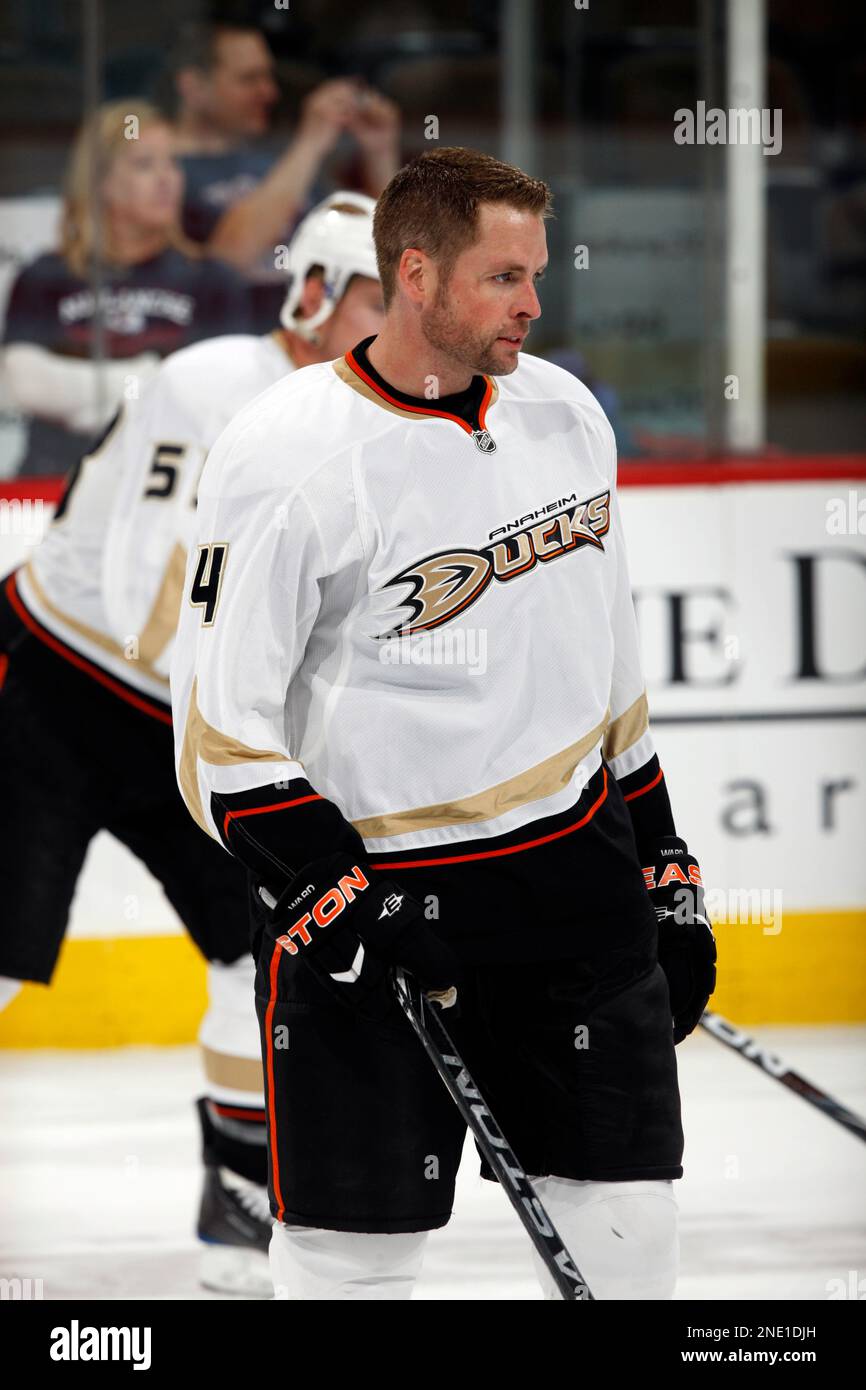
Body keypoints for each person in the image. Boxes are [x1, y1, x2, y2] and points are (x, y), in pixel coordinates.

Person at [170, 147, 716, 1302]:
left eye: (536, 274)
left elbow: (609, 670)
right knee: (351, 1262)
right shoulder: (285, 454)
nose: (532, 304)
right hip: (380, 901)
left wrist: (663, 863)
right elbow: (217, 731)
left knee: (629, 1233)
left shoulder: (566, 415)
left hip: (574, 883)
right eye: (502, 277)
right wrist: (331, 896)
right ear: (413, 274)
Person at [0, 193, 383, 1297]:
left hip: (184, 726)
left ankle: (238, 1215)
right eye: (375, 295)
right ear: (314, 294)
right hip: (53, 686)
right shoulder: (216, 380)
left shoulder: (361, 426)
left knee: (255, 957)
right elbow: (147, 594)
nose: (399, 320)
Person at [2, 100, 249, 478]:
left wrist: (78, 399)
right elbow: (25, 384)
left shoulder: (211, 282)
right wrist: (144, 378)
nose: (166, 179)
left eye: (172, 163)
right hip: (55, 482)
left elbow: (215, 393)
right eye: (144, 165)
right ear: (101, 182)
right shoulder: (45, 277)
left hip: (168, 485)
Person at [165, 21, 400, 271]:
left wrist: (379, 152)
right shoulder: (163, 173)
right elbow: (229, 260)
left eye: (268, 77)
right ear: (193, 87)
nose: (270, 92)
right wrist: (310, 143)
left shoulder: (275, 163)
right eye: (249, 79)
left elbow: (378, 247)